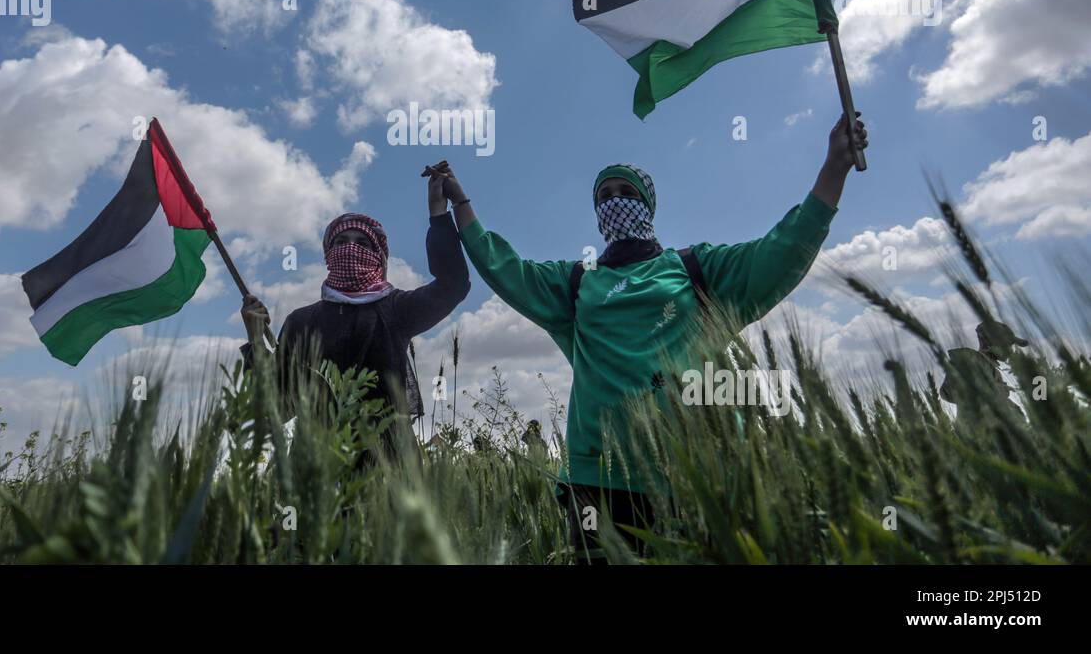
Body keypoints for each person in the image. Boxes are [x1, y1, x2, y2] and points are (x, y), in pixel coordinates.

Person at [435, 112, 869, 562]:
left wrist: (832, 170)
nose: (614, 202)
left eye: (626, 193)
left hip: (698, 473)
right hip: (600, 479)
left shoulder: (694, 268)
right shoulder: (577, 283)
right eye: (604, 195)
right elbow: (506, 268)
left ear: (648, 204)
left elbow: (779, 251)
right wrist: (461, 202)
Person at [239, 163, 470, 431]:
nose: (350, 248)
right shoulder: (301, 322)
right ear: (328, 254)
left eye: (362, 243)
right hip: (320, 463)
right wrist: (256, 339)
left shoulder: (396, 309)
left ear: (378, 257)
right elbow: (275, 410)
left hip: (389, 460)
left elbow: (452, 285)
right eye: (341, 242)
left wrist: (439, 212)